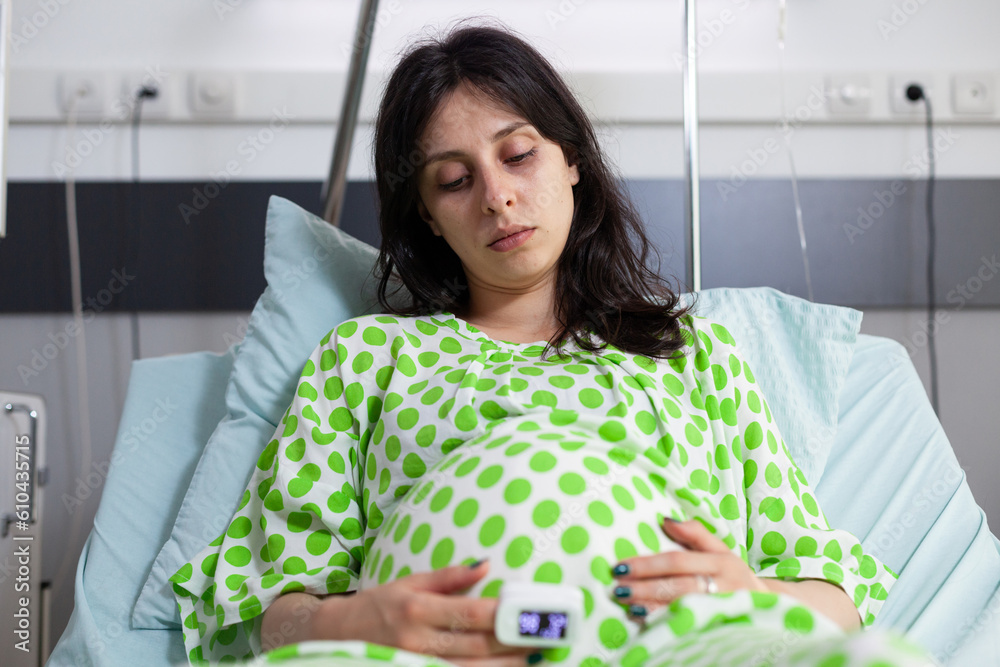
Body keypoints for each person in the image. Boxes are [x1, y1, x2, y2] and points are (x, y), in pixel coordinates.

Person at [171, 23, 931, 667]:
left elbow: (838, 600)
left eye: (519, 153)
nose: (497, 196)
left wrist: (753, 595)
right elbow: (256, 611)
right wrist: (354, 621)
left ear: (572, 158)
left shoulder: (694, 352)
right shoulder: (363, 359)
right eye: (453, 179)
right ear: (429, 217)